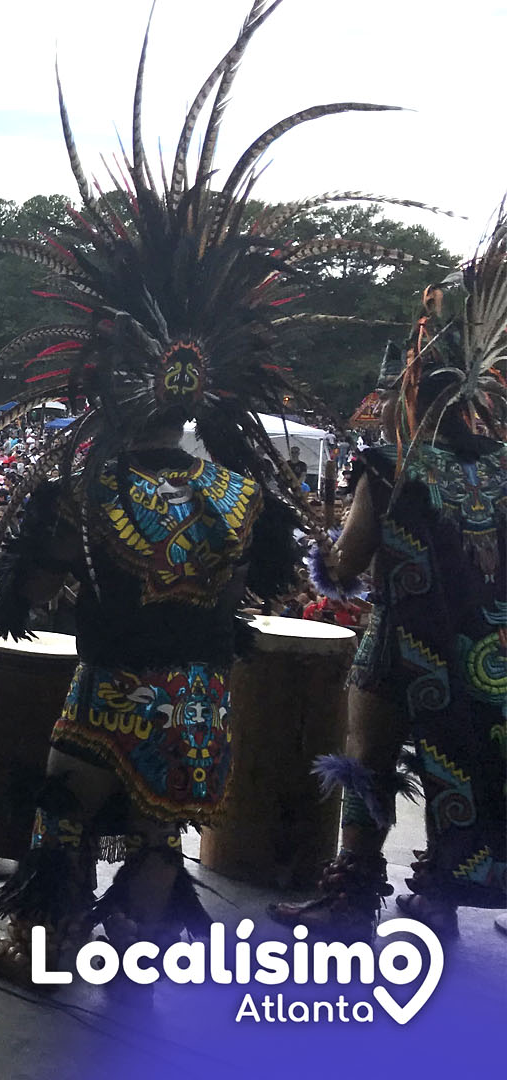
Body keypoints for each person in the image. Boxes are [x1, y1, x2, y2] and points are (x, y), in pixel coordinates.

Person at [0, 8, 361, 987]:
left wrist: (39, 586)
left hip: (111, 692)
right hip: (201, 701)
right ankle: (140, 936)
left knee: (65, 800)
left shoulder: (88, 485)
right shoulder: (243, 492)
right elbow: (265, 595)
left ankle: (35, 936)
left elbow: (23, 600)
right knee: (157, 829)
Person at [270, 271, 507, 940]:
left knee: (367, 763)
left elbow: (342, 568)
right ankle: (439, 897)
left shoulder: (392, 463)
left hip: (401, 644)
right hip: (486, 657)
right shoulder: (502, 467)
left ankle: (351, 899)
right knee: (457, 765)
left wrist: (321, 541)